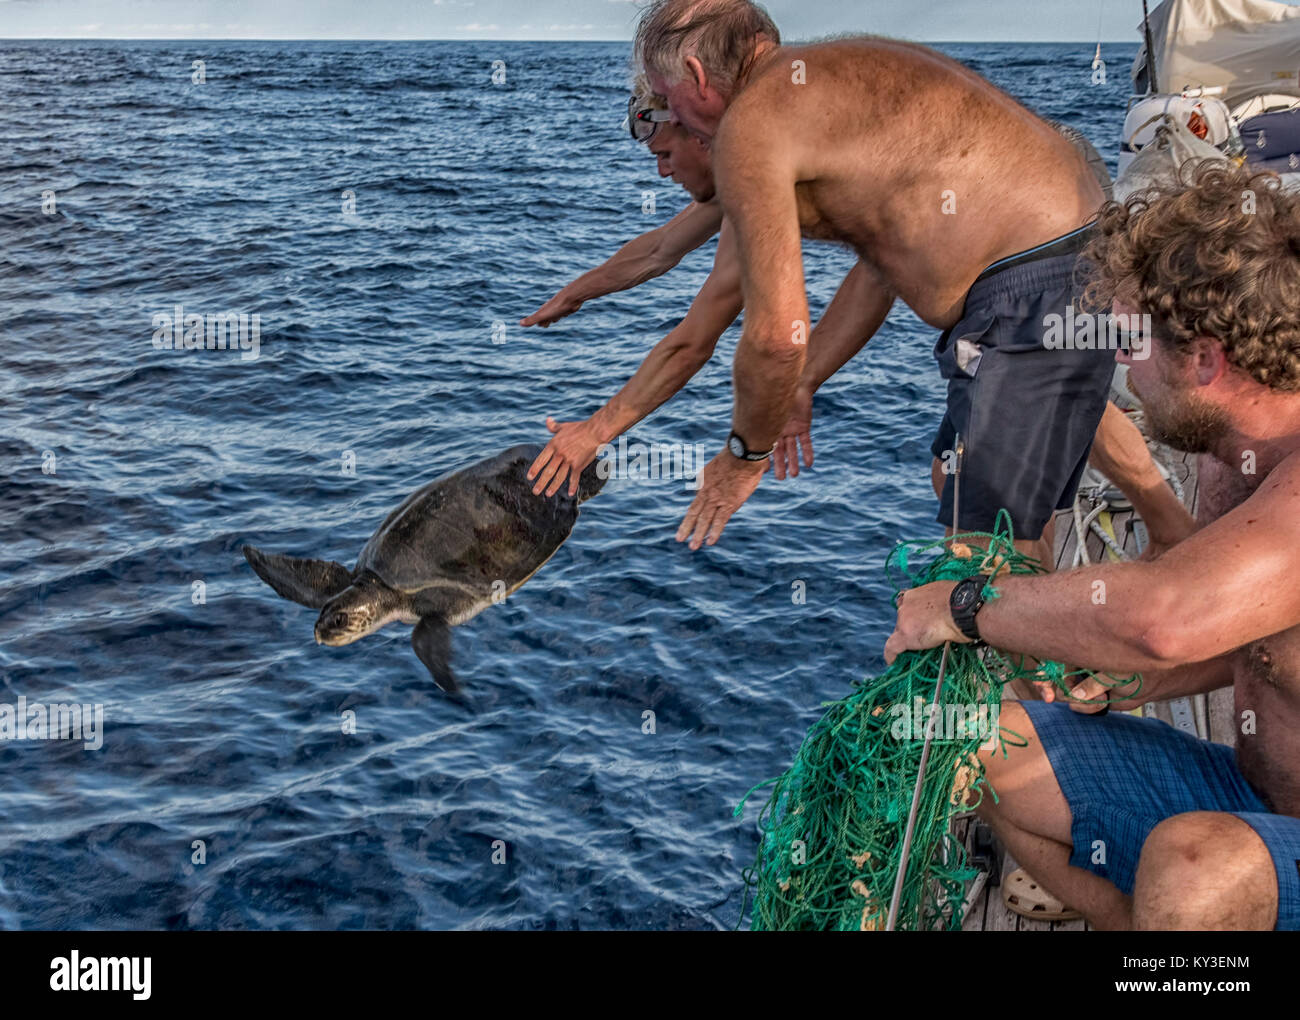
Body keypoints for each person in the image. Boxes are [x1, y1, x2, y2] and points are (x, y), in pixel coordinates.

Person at [887, 163, 1300, 929]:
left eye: (1132, 342)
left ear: (1206, 360)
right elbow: (1259, 637)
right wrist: (1128, 686)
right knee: (972, 745)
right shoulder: (1234, 454)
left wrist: (965, 604)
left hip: (1250, 836)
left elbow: (1166, 618)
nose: (1120, 367)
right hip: (1257, 797)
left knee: (1193, 867)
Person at [633, 0, 1132, 558]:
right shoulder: (831, 80)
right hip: (1069, 258)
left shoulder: (752, 125)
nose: (670, 113)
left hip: (1034, 282)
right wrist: (803, 384)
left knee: (985, 549)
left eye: (666, 95)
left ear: (696, 76)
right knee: (964, 489)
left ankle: (1032, 632)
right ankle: (1136, 553)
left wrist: (743, 455)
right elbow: (878, 272)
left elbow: (777, 338)